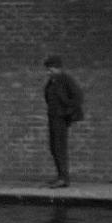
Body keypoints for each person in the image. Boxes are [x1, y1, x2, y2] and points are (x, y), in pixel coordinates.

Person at [42, 55, 84, 188]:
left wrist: (66, 112)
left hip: (60, 119)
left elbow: (78, 97)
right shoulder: (52, 81)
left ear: (58, 68)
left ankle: (64, 178)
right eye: (48, 70)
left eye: (50, 69)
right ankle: (60, 176)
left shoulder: (66, 80)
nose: (48, 72)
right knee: (54, 147)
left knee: (59, 147)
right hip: (53, 118)